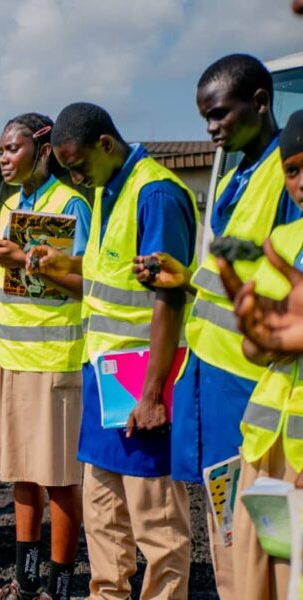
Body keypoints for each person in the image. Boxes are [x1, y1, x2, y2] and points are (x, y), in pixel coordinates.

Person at [132, 54, 302, 598]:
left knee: (272, 546)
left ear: (260, 102)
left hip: (255, 391)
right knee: (230, 531)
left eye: (220, 115)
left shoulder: (286, 174)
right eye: (205, 117)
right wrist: (187, 279)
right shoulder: (235, 171)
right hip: (216, 384)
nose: (211, 129)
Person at [33, 102, 198, 599]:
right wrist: (64, 263)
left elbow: (167, 295)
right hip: (106, 378)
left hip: (144, 380)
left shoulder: (157, 194)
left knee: (157, 523)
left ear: (106, 145)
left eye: (78, 165)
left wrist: (152, 395)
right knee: (103, 512)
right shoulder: (109, 189)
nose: (77, 178)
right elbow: (109, 275)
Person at [0, 113, 90, 600]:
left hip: (56, 363)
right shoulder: (10, 208)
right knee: (22, 472)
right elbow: (1, 296)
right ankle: (26, 579)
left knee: (59, 477)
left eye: (13, 148)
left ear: (42, 150)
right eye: (1, 149)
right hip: (12, 362)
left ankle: (59, 586)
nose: (4, 158)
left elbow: (90, 283)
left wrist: (25, 261)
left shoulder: (72, 205)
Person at [215, 110, 303, 600]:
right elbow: (255, 346)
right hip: (266, 448)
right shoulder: (283, 243)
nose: (300, 182)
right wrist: (264, 338)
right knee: (259, 576)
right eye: (291, 170)